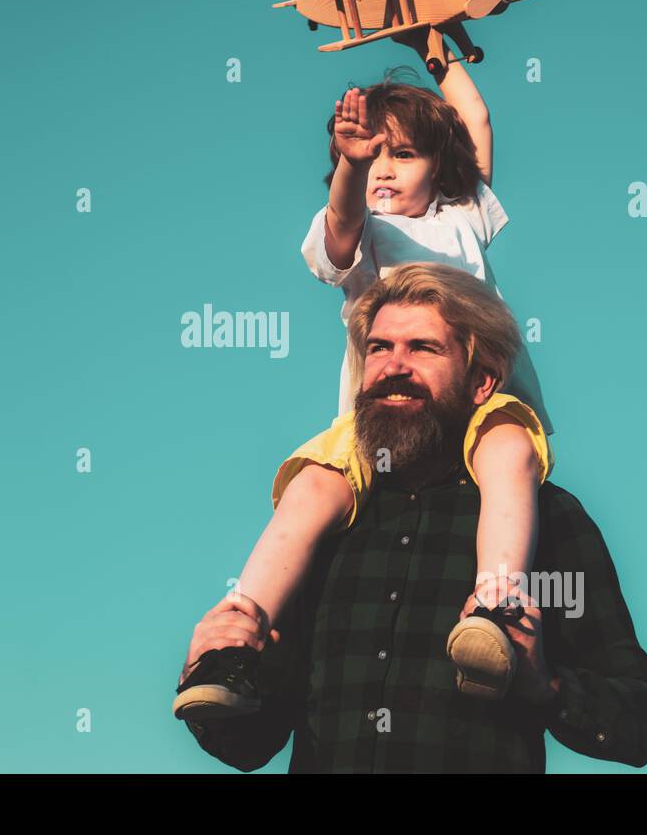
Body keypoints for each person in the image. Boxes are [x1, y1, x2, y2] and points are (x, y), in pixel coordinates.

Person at [174, 264, 647, 771]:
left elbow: (640, 723)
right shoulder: (324, 526)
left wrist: (546, 684)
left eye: (423, 348)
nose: (394, 367)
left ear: (482, 382)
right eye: (379, 348)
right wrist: (216, 667)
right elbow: (253, 743)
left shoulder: (547, 518)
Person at [175, 57, 553, 717]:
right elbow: (340, 228)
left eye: (402, 154)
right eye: (370, 153)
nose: (383, 167)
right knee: (312, 487)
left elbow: (476, 120)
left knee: (510, 454)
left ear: (441, 165)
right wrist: (350, 164)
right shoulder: (367, 231)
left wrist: (438, 44)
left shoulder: (462, 210)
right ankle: (236, 637)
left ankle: (494, 608)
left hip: (481, 394)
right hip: (386, 412)